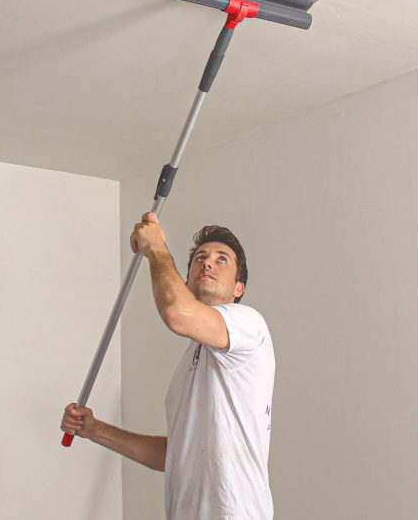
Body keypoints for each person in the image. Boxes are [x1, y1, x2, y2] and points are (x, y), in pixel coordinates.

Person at [61, 212, 275, 519]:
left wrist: (157, 250)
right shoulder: (189, 365)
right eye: (200, 258)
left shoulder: (249, 326)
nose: (208, 263)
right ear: (185, 283)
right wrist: (95, 430)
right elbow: (175, 454)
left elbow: (176, 313)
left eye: (222, 259)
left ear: (238, 289)